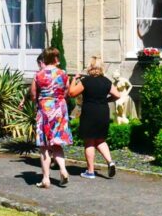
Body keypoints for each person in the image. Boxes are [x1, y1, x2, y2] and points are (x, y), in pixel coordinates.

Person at [69, 56, 121, 179]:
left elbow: (72, 93)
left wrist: (74, 79)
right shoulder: (106, 81)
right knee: (100, 140)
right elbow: (117, 95)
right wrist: (107, 100)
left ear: (90, 67)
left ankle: (90, 171)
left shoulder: (86, 81)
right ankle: (110, 162)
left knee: (89, 141)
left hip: (90, 113)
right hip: (103, 112)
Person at [29, 46, 73, 188]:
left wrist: (40, 99)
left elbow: (33, 95)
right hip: (60, 108)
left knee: (44, 146)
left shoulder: (39, 75)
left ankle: (46, 179)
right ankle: (63, 170)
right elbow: (67, 91)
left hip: (45, 109)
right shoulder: (63, 73)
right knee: (57, 143)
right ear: (54, 58)